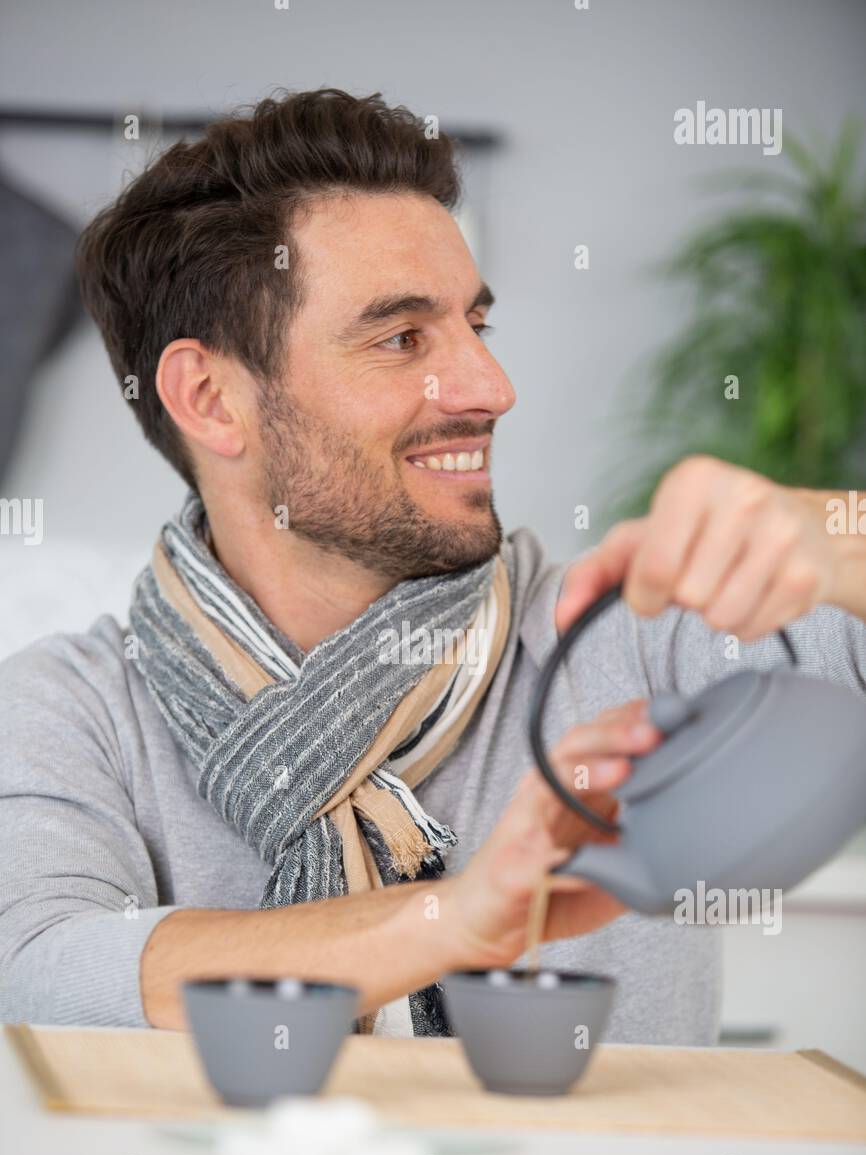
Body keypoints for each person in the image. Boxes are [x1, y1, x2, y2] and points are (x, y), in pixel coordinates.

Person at [1, 89, 864, 1039]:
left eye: (475, 328)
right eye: (402, 338)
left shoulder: (637, 631)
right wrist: (452, 918)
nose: (491, 389)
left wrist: (835, 536)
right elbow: (39, 969)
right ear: (208, 398)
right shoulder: (66, 711)